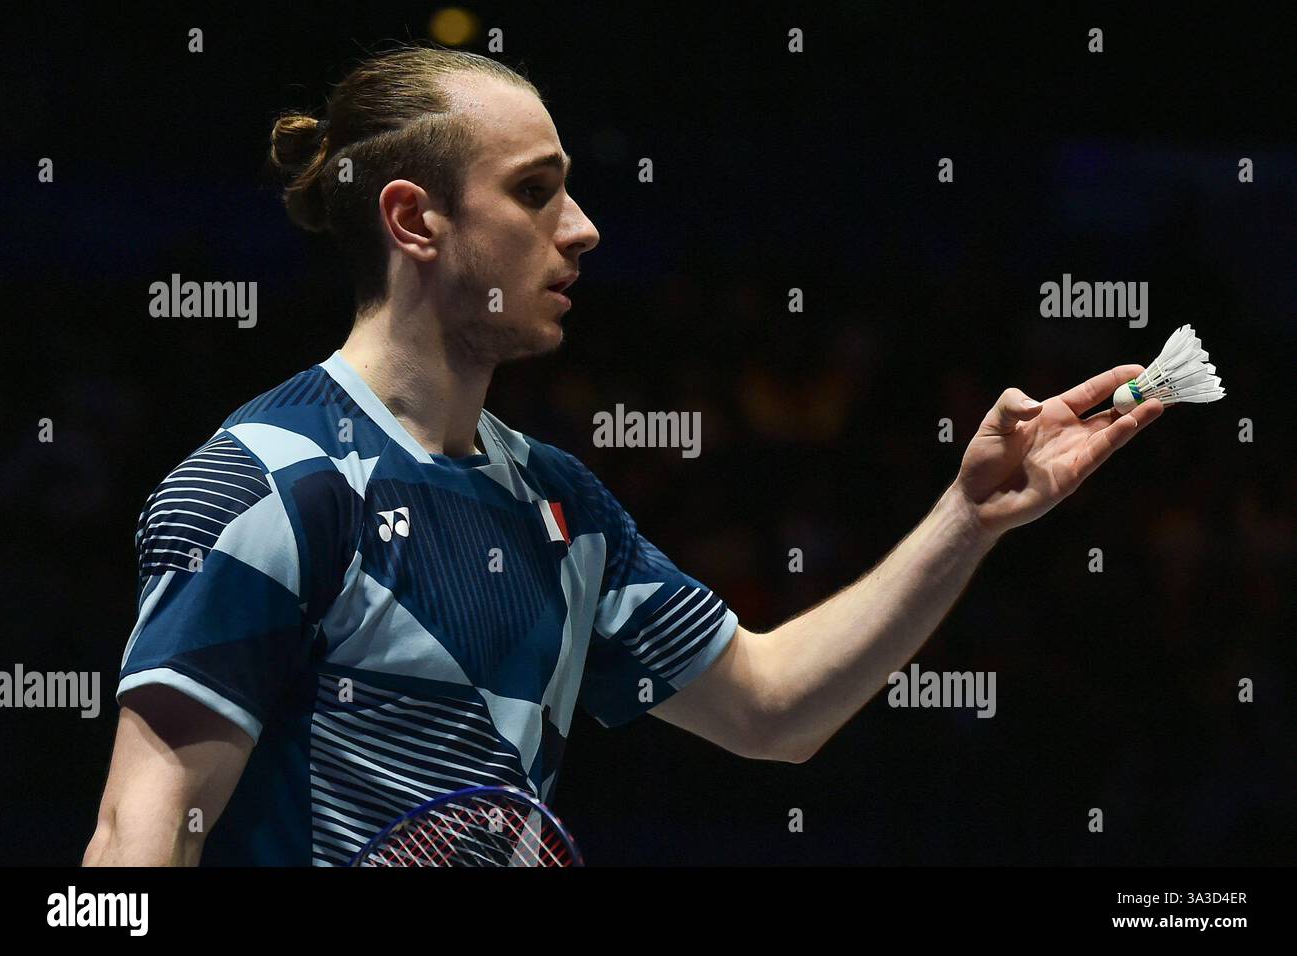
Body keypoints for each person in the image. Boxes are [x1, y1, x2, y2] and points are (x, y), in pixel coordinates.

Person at [83, 45, 1162, 866]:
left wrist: (969, 516)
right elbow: (134, 844)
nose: (584, 226)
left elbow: (771, 705)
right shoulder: (269, 487)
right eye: (535, 188)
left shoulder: (560, 504)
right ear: (415, 219)